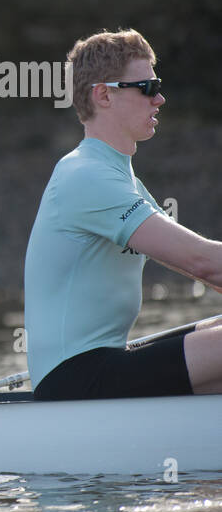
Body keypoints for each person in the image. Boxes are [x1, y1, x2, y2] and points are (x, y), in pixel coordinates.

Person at [24, 29, 222, 400]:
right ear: (103, 95)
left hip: (102, 366)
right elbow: (204, 262)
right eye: (147, 87)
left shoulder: (119, 177)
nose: (160, 98)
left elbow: (206, 270)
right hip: (76, 380)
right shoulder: (86, 176)